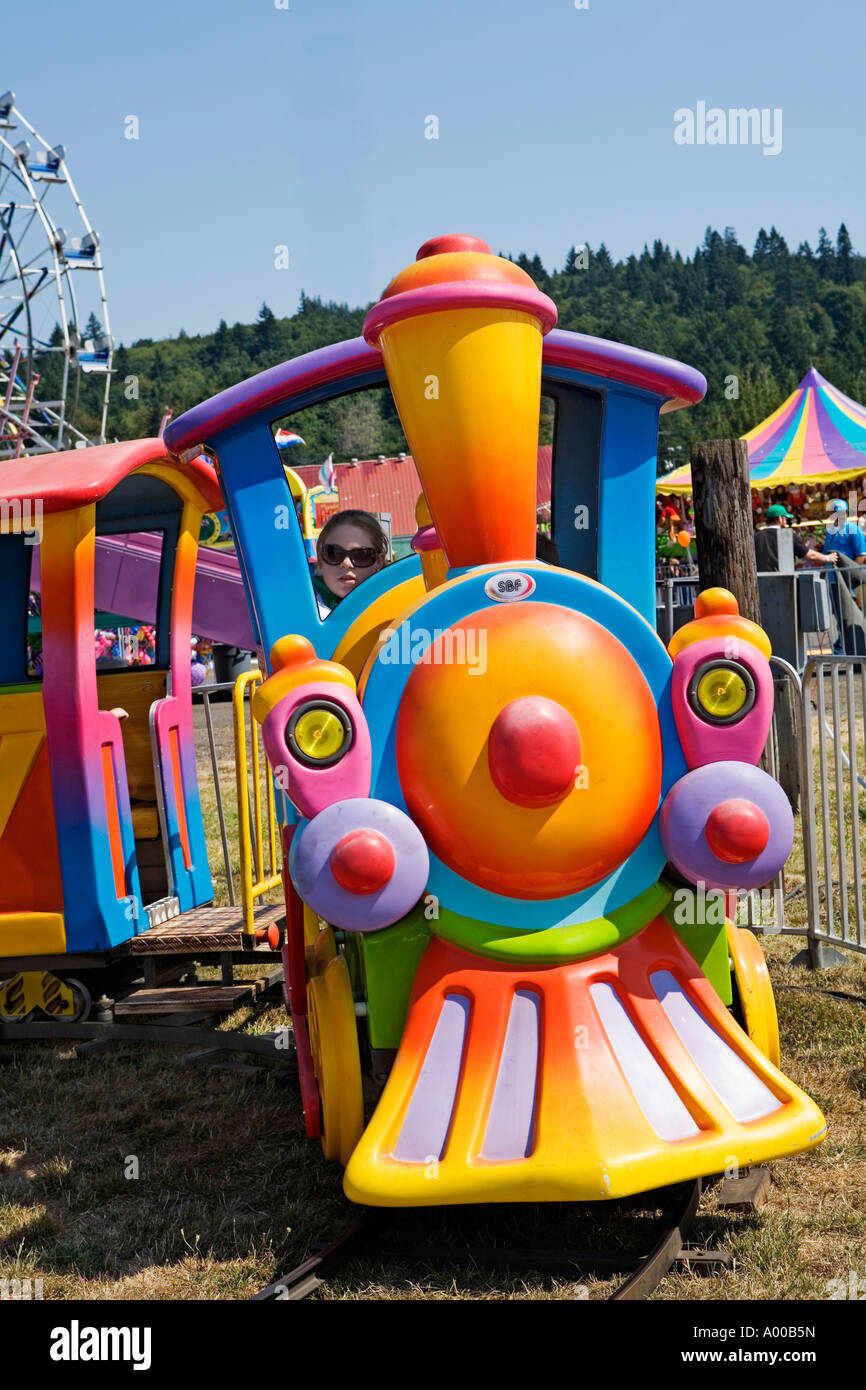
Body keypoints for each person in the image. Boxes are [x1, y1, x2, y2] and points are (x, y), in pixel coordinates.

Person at [312, 510, 388, 616]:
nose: (346, 563)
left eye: (361, 555)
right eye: (333, 553)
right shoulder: (298, 607)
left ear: (379, 561)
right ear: (320, 558)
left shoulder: (399, 608)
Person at [754, 503, 832, 571]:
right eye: (785, 518)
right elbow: (808, 555)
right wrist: (827, 558)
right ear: (780, 519)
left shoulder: (756, 537)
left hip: (760, 582)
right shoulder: (788, 536)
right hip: (785, 582)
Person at [823, 498, 866, 564]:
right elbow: (826, 554)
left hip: (846, 572)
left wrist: (852, 573)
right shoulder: (830, 531)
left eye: (843, 512)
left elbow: (861, 556)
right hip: (830, 572)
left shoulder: (854, 529)